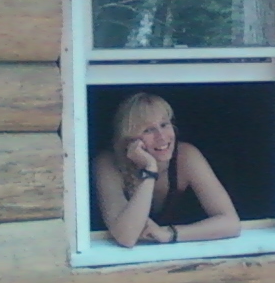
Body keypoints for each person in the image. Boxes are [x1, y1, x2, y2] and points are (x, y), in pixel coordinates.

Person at [93, 92, 242, 248]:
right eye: (148, 130)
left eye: (164, 125)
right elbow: (126, 237)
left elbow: (231, 223)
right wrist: (150, 170)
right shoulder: (108, 163)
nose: (162, 137)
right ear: (129, 139)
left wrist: (170, 234)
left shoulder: (186, 156)